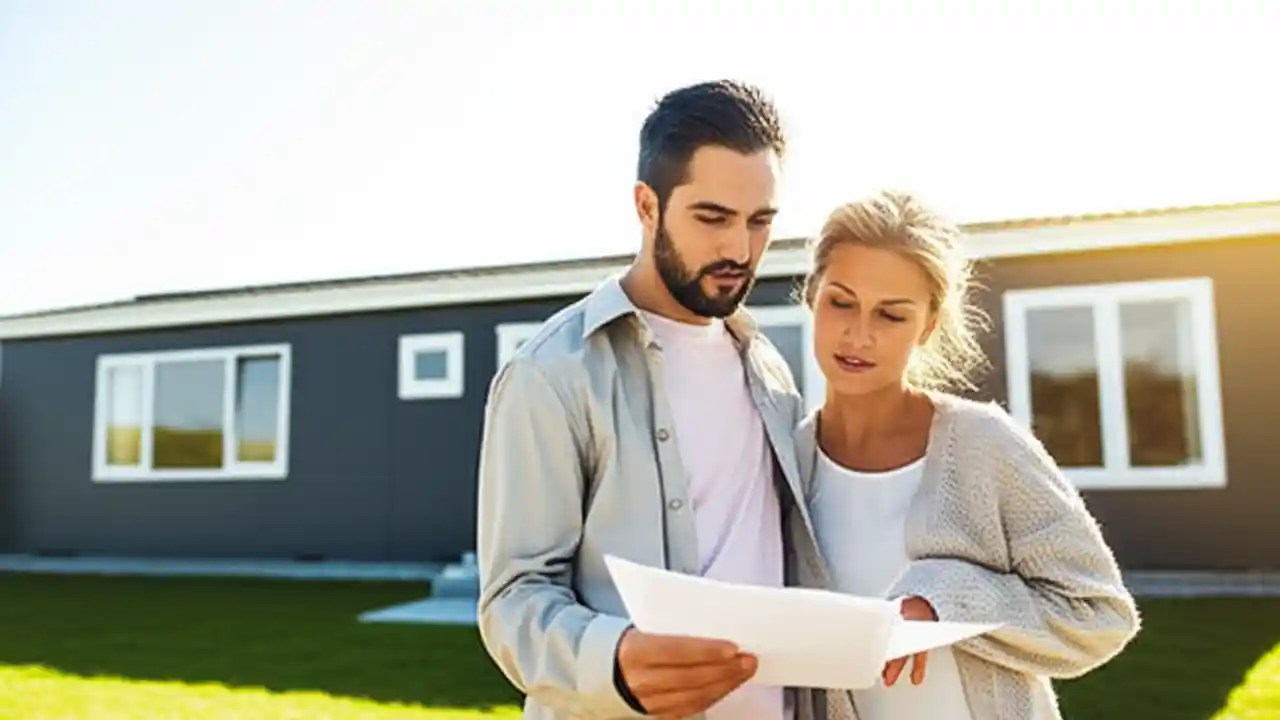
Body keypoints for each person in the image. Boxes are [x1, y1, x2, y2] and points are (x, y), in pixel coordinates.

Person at [476, 79, 828, 720]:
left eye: (760, 222)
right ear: (646, 205)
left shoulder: (771, 370)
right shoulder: (552, 373)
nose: (740, 251)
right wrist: (614, 661)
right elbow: (513, 599)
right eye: (713, 218)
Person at [795, 190, 1142, 719]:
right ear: (811, 295)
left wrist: (943, 602)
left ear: (928, 326)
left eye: (891, 315)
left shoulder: (983, 446)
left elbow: (1098, 613)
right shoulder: (786, 462)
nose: (858, 334)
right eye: (841, 302)